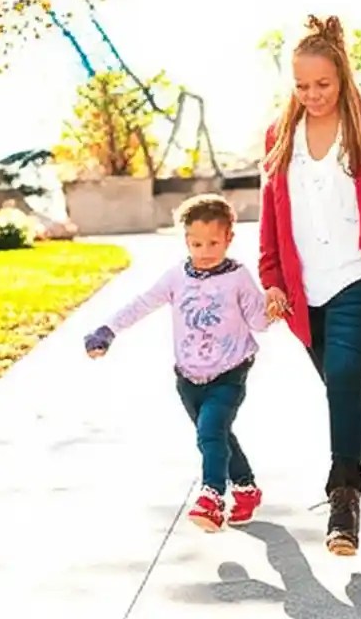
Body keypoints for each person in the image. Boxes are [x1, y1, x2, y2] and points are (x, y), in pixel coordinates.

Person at [258, 15, 361, 556]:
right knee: (343, 385)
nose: (313, 95)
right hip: (306, 290)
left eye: (323, 84)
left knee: (344, 372)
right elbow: (271, 219)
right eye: (302, 85)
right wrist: (271, 279)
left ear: (343, 76)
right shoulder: (280, 136)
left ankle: (344, 496)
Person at [83, 194, 275, 533]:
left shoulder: (238, 277)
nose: (204, 251)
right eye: (195, 243)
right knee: (218, 435)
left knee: (210, 432)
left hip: (230, 371)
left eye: (213, 242)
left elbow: (258, 322)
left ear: (229, 238)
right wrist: (107, 330)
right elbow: (142, 303)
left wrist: (273, 305)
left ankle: (211, 497)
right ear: (185, 240)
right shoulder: (176, 277)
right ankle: (245, 487)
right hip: (187, 377)